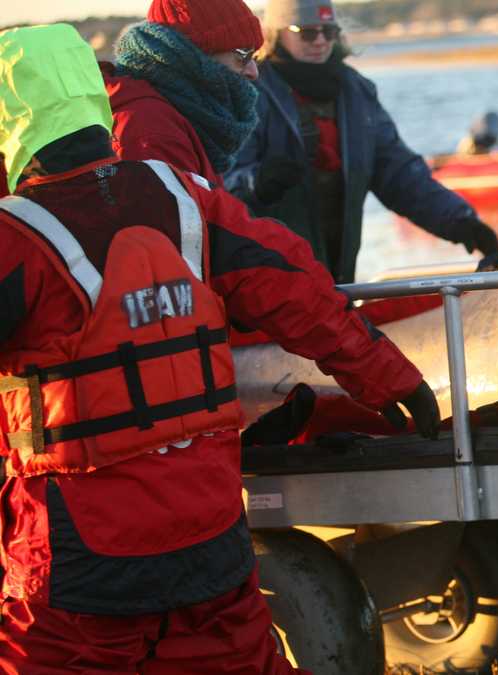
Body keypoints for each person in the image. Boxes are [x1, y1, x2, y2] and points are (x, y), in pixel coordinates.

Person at [0, 24, 439, 672]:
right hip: (210, 541)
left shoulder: (16, 239)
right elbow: (298, 289)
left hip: (80, 566)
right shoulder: (187, 199)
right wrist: (392, 379)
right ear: (95, 99)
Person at [226, 0, 498, 284]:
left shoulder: (357, 92)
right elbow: (217, 181)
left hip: (337, 274)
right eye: (307, 32)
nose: (320, 40)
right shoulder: (249, 91)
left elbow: (399, 173)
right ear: (276, 33)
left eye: (328, 31)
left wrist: (462, 222)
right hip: (265, 276)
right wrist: (258, 184)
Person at [103, 0, 264, 188]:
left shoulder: (187, 113)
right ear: (192, 58)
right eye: (243, 56)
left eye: (255, 57)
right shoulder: (150, 128)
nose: (254, 72)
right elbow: (187, 215)